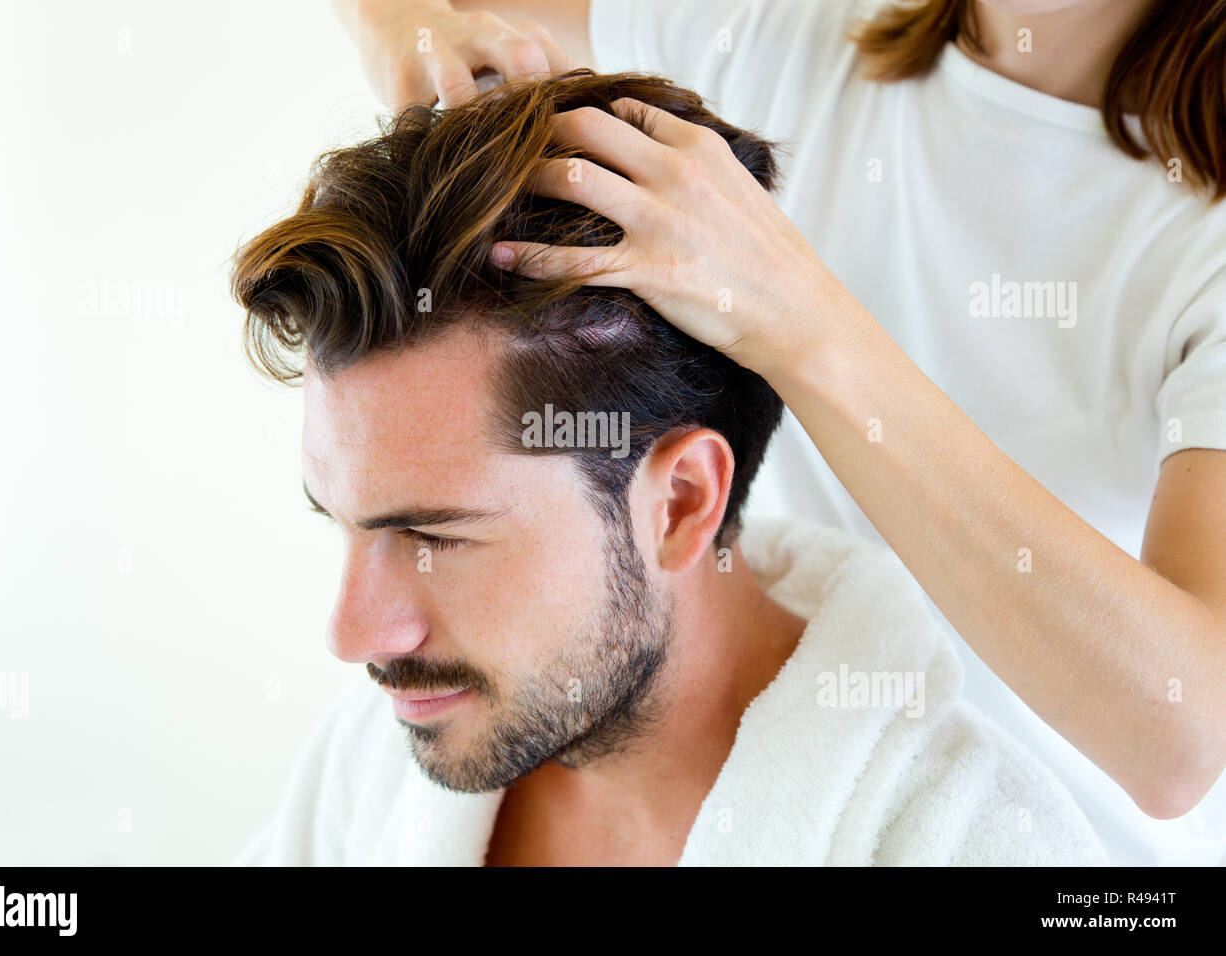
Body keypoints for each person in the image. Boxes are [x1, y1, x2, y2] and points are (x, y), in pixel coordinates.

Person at [332, 0, 1226, 866]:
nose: (354, 630)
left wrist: (794, 314)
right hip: (760, 803)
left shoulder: (1201, 237)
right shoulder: (782, 33)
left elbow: (1183, 733)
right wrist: (409, 29)